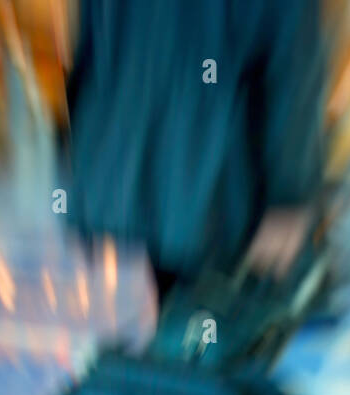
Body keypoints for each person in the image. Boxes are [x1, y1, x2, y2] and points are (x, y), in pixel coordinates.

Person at [61, 0, 325, 345]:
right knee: (223, 331)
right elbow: (292, 66)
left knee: (182, 319)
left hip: (139, 161)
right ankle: (189, 379)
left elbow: (89, 52)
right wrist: (291, 193)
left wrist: (86, 164)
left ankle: (176, 377)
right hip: (226, 175)